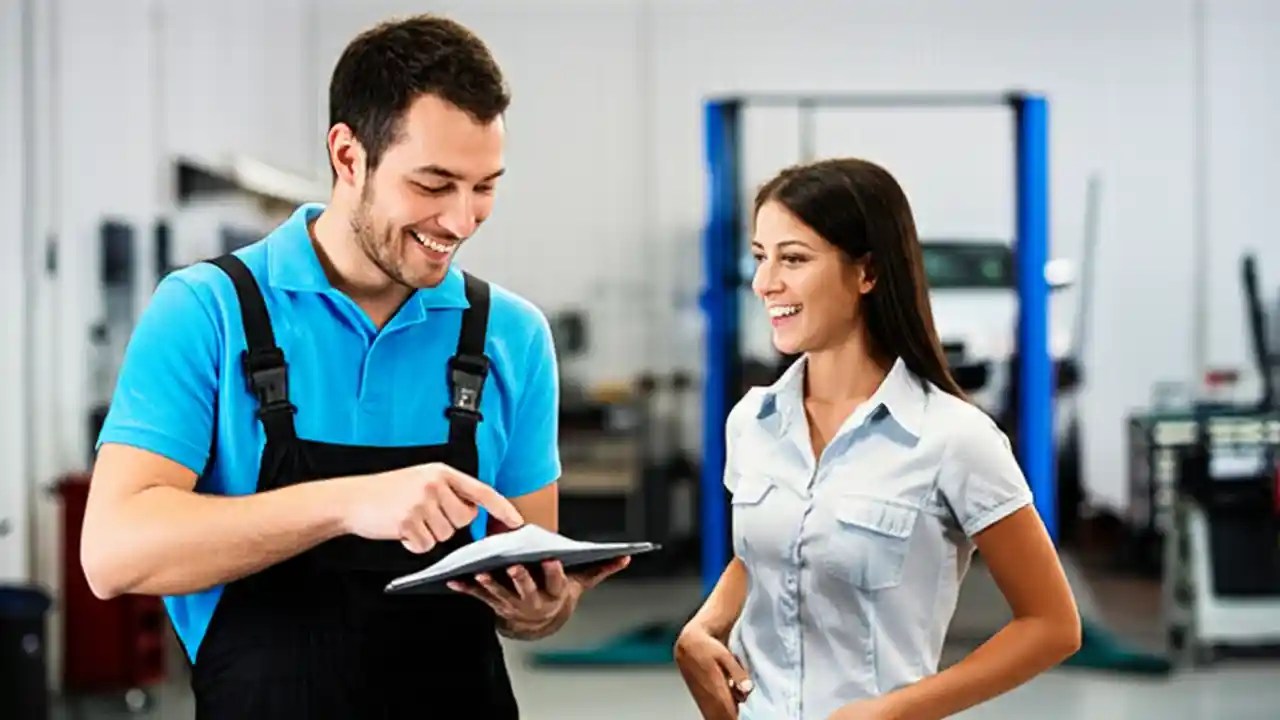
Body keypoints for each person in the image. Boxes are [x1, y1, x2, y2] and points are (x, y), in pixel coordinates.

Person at [80, 14, 627, 719]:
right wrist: (350, 502)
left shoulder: (510, 337)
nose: (461, 220)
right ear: (347, 156)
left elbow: (530, 591)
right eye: (434, 184)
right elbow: (114, 554)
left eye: (484, 185)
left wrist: (542, 609)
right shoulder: (207, 313)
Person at [674, 158, 1082, 720]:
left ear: (867, 273)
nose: (765, 283)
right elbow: (778, 547)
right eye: (760, 257)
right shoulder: (753, 423)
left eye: (793, 259)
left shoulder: (952, 438)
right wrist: (705, 626)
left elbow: (1052, 625)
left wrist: (892, 712)